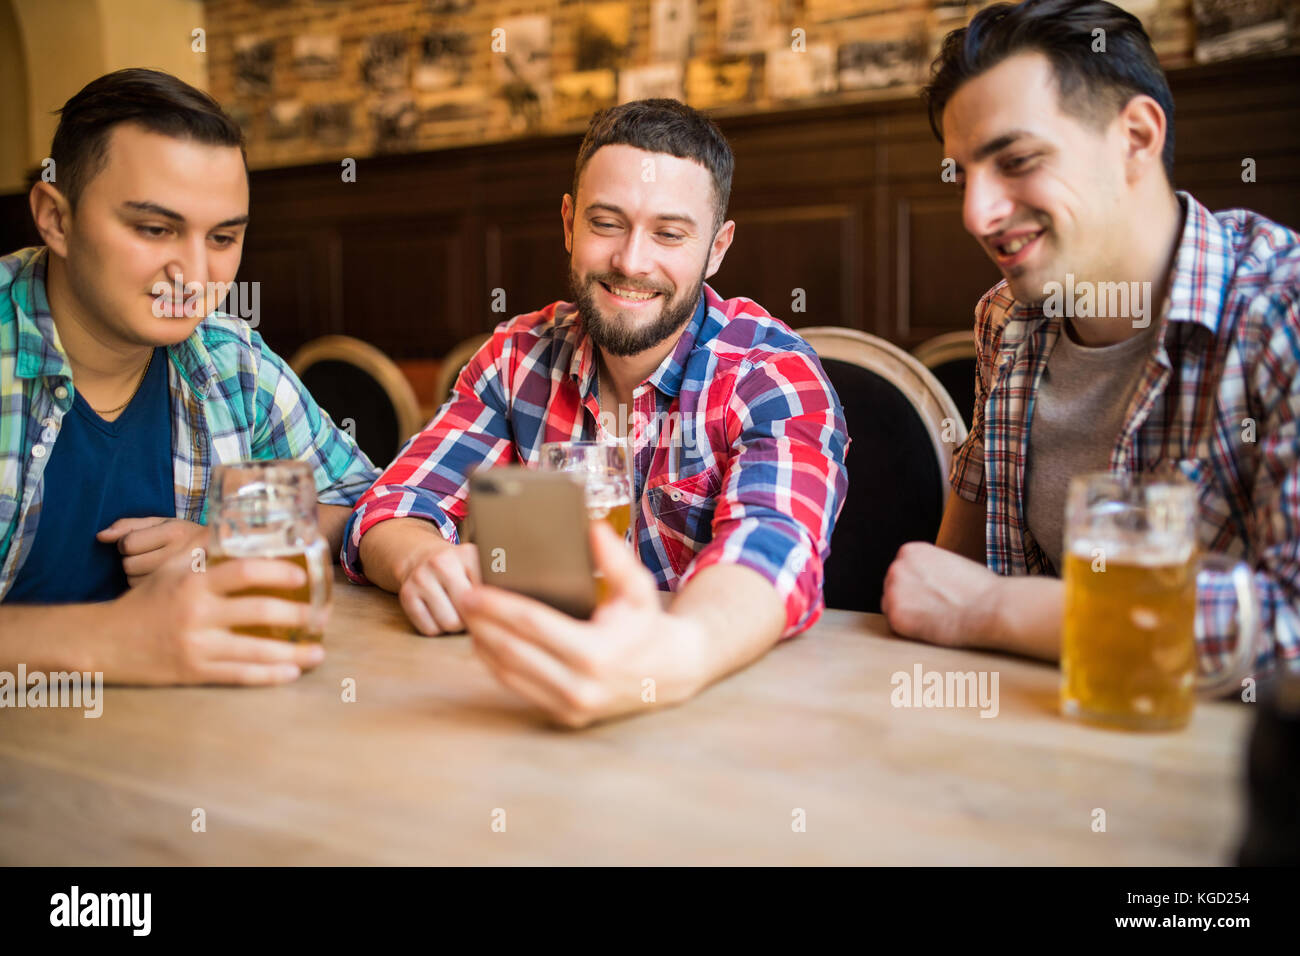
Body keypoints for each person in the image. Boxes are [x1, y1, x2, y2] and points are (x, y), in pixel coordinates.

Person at [346, 99, 849, 727]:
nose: (631, 261)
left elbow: (773, 549)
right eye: (607, 223)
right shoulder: (516, 358)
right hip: (528, 707)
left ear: (717, 248)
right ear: (568, 223)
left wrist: (675, 654)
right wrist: (423, 562)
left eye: (669, 234)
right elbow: (391, 507)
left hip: (715, 716)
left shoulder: (771, 374)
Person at [881, 0, 1299, 675]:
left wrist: (993, 609)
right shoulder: (1004, 317)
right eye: (963, 175)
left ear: (1136, 136)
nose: (976, 214)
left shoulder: (1280, 311)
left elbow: (1292, 622)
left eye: (1017, 160)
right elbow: (947, 578)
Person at [0, 69, 378, 684]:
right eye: (155, 229)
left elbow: (366, 508)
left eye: (223, 237)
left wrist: (228, 539)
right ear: (56, 219)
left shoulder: (232, 363)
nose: (196, 276)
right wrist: (116, 639)